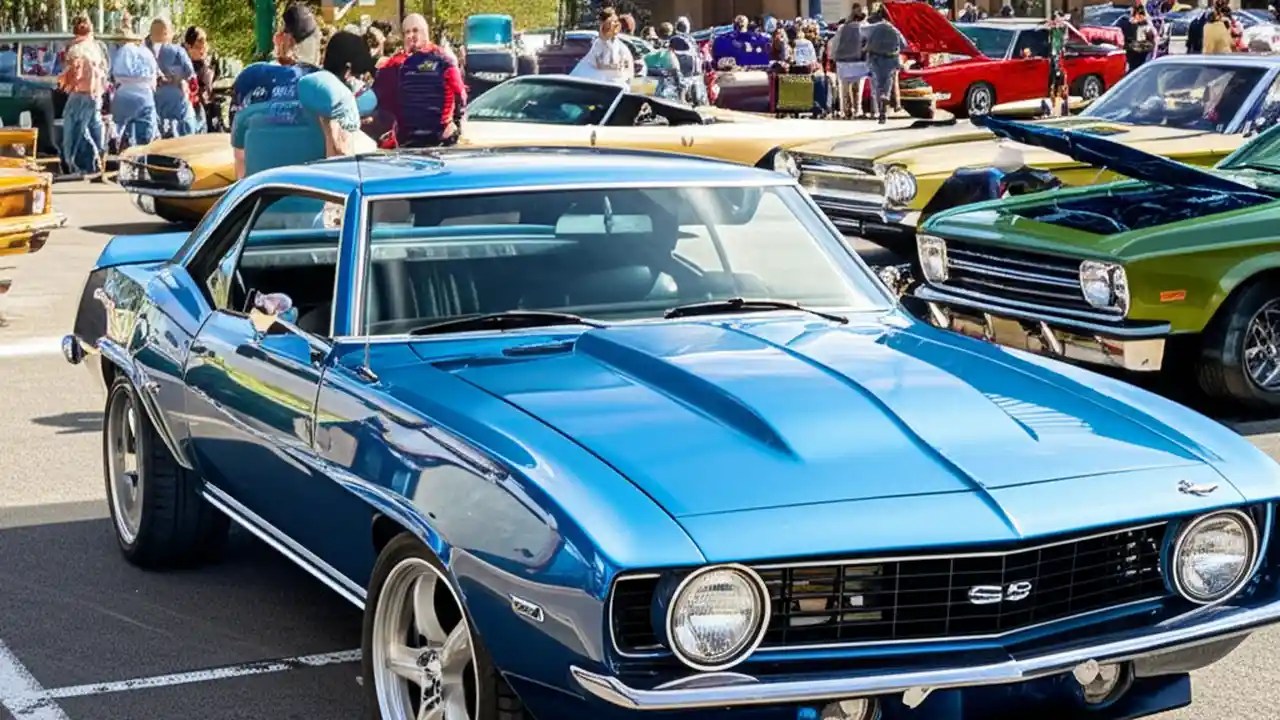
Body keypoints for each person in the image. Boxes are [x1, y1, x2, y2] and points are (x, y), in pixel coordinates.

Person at [230, 2, 361, 180]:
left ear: (279, 39)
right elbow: (341, 155)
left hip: (259, 198)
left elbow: (240, 157)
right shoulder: (326, 86)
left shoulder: (249, 79)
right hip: (312, 195)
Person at [372, 13, 467, 148]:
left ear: (425, 32)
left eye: (415, 30)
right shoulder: (395, 64)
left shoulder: (443, 60)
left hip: (440, 138)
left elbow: (461, 94)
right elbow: (384, 100)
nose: (411, 36)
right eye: (407, 32)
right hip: (408, 139)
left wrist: (455, 124)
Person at [58, 15, 108, 177]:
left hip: (80, 93)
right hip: (95, 94)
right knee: (94, 125)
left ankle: (81, 164)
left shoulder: (76, 49)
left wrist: (64, 82)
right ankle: (99, 158)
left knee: (76, 130)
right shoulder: (97, 47)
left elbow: (75, 72)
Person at [109, 25, 160, 151]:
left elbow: (113, 74)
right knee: (146, 132)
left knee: (118, 125)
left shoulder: (120, 52)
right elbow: (154, 76)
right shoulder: (147, 52)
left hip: (124, 92)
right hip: (144, 93)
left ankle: (116, 143)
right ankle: (143, 156)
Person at [146, 18, 198, 137]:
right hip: (177, 98)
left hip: (154, 98)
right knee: (186, 127)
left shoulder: (143, 51)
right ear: (167, 33)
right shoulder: (178, 51)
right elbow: (191, 77)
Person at [862, 9, 907, 123]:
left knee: (877, 84)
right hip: (891, 60)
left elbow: (860, 31)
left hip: (876, 59)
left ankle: (881, 107)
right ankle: (885, 101)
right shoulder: (894, 30)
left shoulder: (873, 28)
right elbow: (903, 44)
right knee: (888, 82)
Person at [570, 8, 635, 85]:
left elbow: (626, 67)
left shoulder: (621, 48)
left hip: (611, 87)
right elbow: (597, 63)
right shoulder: (599, 44)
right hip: (597, 85)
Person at [832, 6, 868, 119]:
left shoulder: (842, 28)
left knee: (845, 88)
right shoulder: (865, 27)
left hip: (843, 61)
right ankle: (858, 109)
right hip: (859, 60)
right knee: (858, 87)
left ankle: (847, 110)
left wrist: (834, 57)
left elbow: (835, 44)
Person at [183, 26, 219, 132]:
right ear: (188, 46)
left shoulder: (207, 64)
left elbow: (211, 85)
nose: (203, 49)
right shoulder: (182, 64)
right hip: (189, 110)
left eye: (205, 44)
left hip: (207, 110)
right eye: (198, 45)